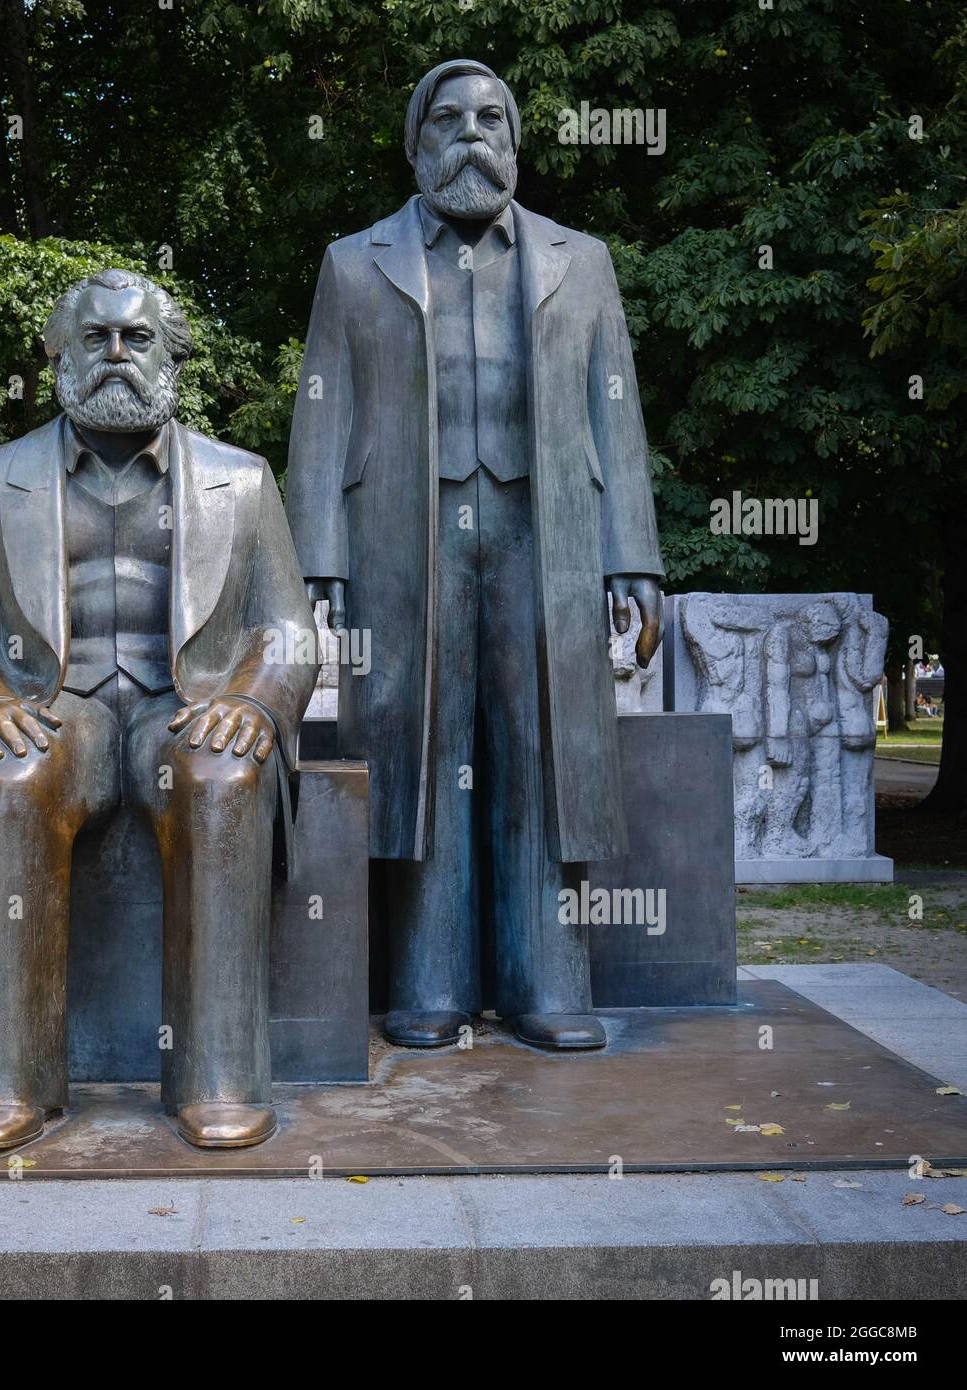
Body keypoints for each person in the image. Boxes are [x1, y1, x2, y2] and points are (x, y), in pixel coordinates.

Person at [286, 59, 664, 1051]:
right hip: (401, 538)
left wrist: (633, 554)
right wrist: (316, 559)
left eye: (490, 119)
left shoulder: (582, 261)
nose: (470, 135)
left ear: (516, 141)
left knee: (547, 751)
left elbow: (615, 412)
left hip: (548, 533)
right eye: (447, 120)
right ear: (415, 146)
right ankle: (430, 981)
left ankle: (549, 982)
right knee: (422, 752)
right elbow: (323, 411)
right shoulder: (354, 264)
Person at [0, 269, 317, 1153]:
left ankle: (218, 1077)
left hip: (188, 706)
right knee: (8, 776)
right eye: (93, 338)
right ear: (58, 356)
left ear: (171, 355)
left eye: (136, 338)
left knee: (220, 777)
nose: (115, 355)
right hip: (54, 705)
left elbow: (288, 629)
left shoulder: (242, 480)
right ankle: (4, 1083)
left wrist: (255, 701)